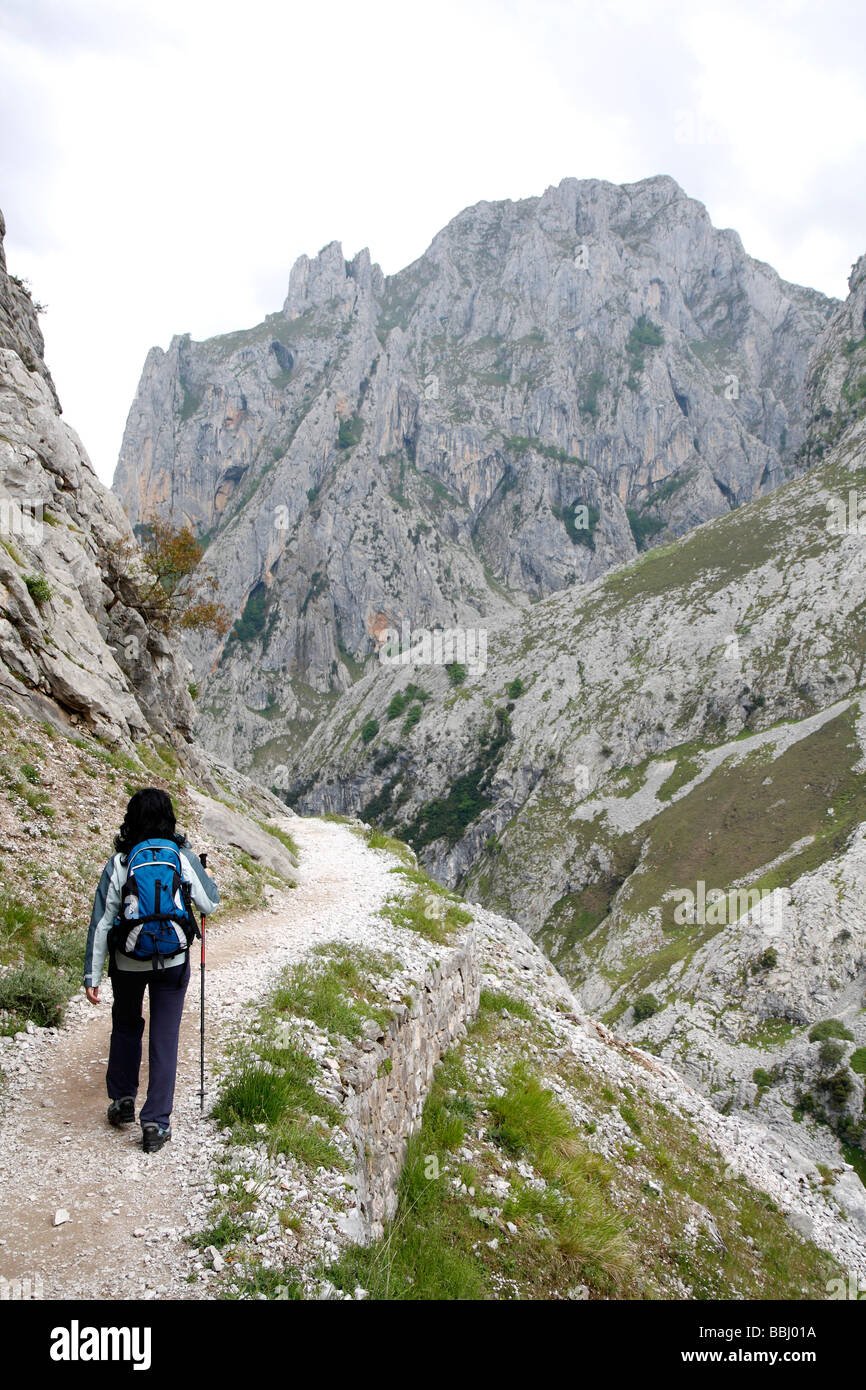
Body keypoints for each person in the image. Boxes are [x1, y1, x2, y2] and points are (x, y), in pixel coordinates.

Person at [83, 788, 219, 1153]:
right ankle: (156, 1123)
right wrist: (202, 876)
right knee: (164, 1036)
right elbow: (210, 902)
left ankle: (123, 1101)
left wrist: (92, 976)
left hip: (128, 961)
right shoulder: (181, 856)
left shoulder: (120, 861)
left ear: (132, 819)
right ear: (168, 818)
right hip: (172, 960)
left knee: (126, 1026)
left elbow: (102, 922)